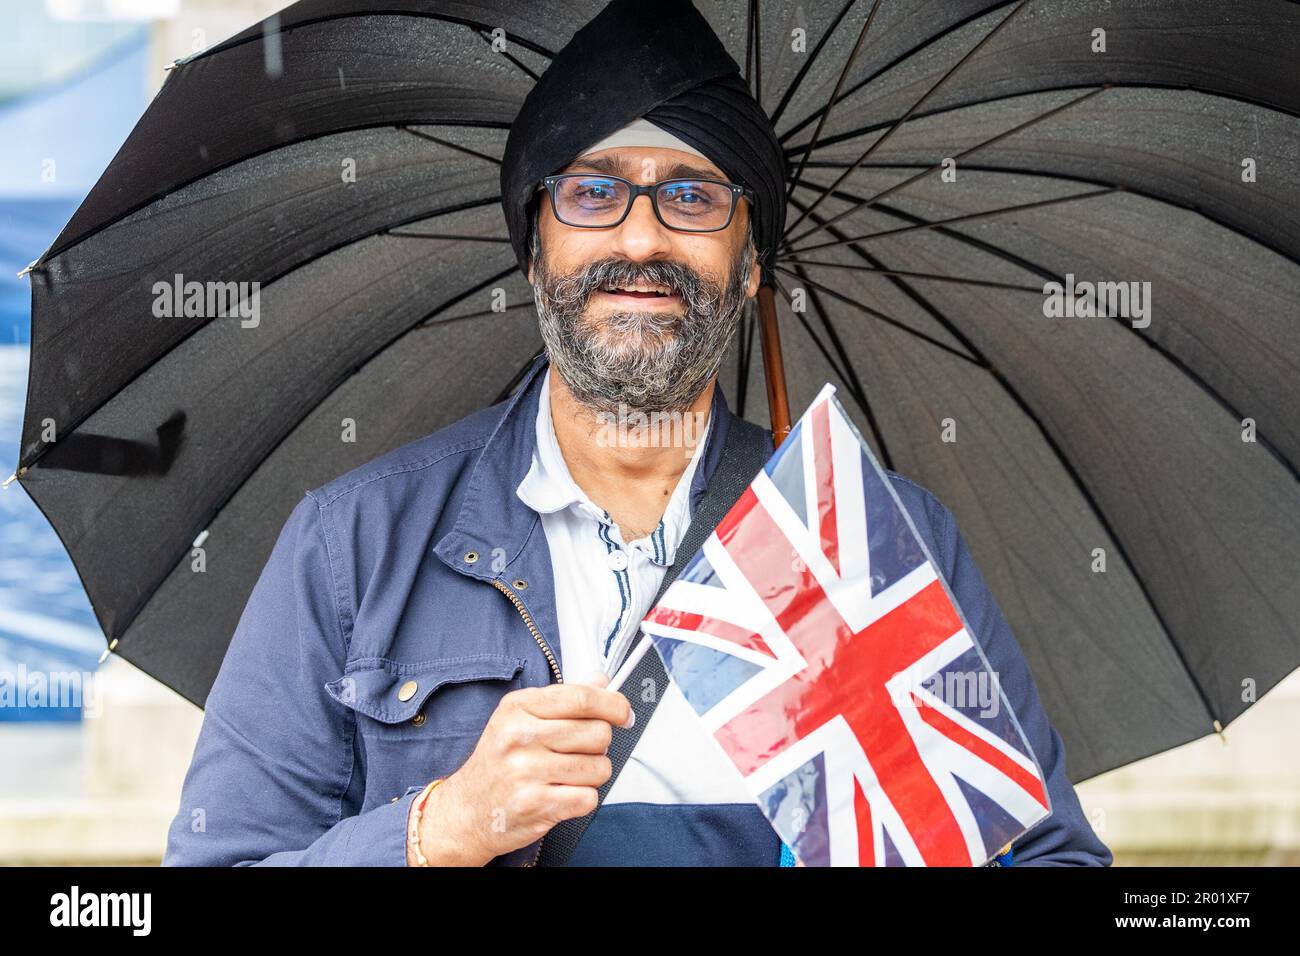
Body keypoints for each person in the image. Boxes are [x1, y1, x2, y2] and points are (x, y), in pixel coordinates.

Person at [163, 0, 1111, 867]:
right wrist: (437, 829)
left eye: (694, 195)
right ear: (535, 251)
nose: (642, 241)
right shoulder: (352, 548)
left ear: (748, 267)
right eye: (593, 191)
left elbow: (1051, 860)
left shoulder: (873, 548)